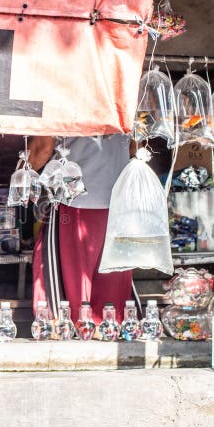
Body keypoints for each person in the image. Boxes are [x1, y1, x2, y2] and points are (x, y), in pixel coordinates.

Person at [30, 135, 133, 324]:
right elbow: (136, 147)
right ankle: (108, 327)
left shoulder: (66, 105)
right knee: (113, 278)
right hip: (118, 199)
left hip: (75, 200)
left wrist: (21, 171)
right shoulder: (124, 106)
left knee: (66, 276)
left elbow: (42, 149)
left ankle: (64, 326)